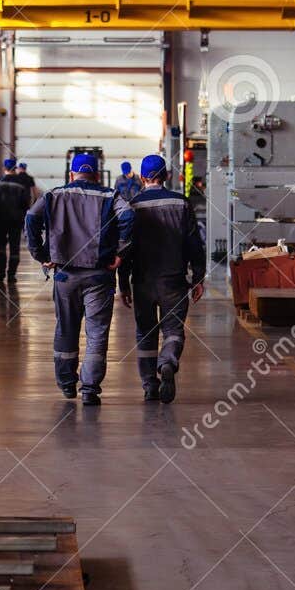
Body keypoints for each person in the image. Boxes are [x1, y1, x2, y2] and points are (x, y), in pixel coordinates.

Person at [25, 152, 134, 404]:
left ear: (72, 174)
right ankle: (90, 389)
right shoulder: (110, 195)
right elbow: (128, 216)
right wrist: (120, 251)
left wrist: (41, 254)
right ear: (96, 174)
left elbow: (31, 217)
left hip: (65, 275)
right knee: (97, 332)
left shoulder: (53, 195)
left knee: (66, 328)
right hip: (99, 275)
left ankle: (66, 383)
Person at [118, 154, 206, 403]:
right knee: (173, 331)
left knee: (145, 333)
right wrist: (198, 277)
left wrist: (123, 283)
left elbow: (125, 249)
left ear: (143, 177)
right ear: (166, 175)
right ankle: (167, 361)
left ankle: (149, 386)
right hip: (174, 280)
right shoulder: (181, 203)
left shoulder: (131, 206)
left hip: (143, 280)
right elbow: (193, 244)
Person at [0, 158, 32, 283]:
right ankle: (11, 275)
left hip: (1, 219)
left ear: (4, 168)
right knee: (15, 246)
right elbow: (26, 202)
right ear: (15, 169)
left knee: (1, 244)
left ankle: (1, 273)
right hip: (16, 219)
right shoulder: (21, 183)